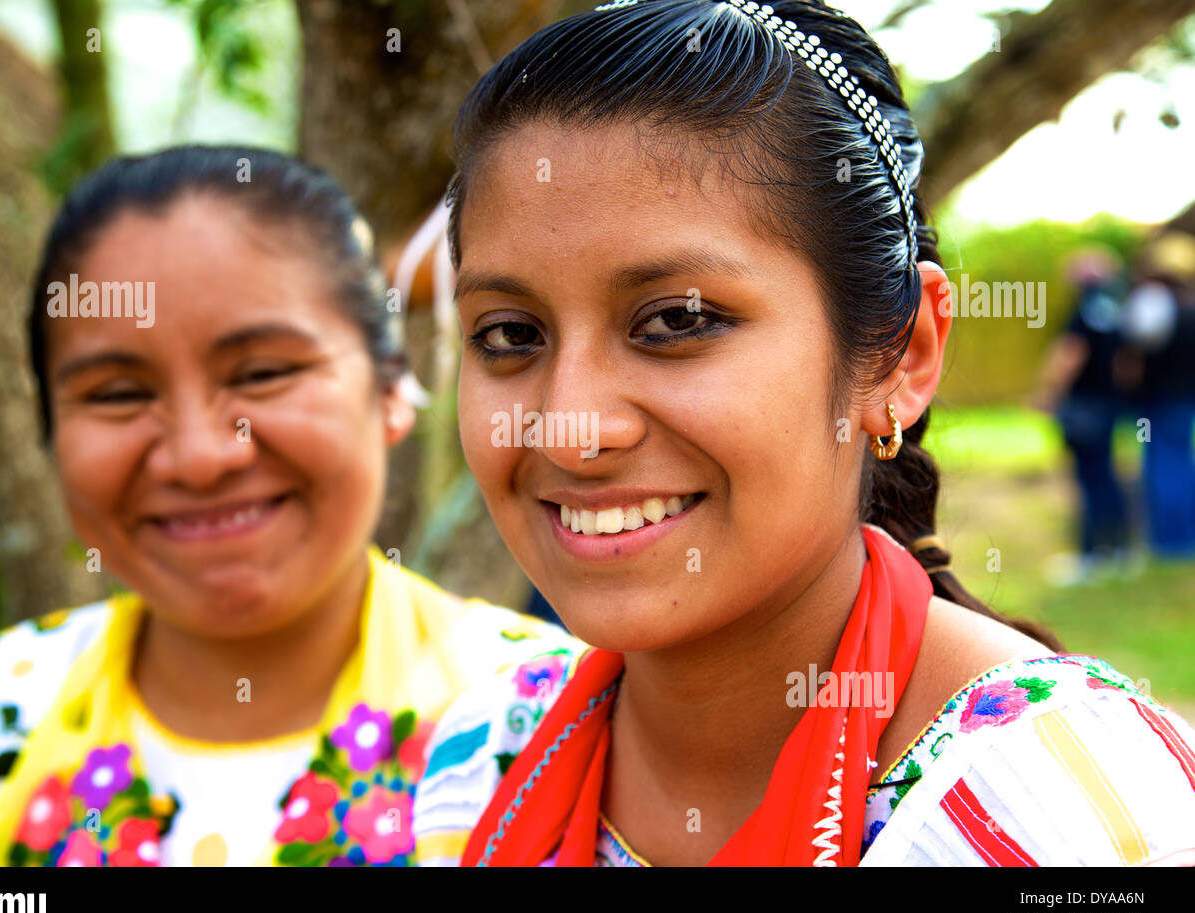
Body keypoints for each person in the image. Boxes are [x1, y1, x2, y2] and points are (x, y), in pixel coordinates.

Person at [412, 0, 1195, 867]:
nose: (571, 428)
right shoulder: (485, 757)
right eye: (510, 336)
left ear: (899, 354)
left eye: (675, 320)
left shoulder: (1060, 820)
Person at [0, 146, 576, 867]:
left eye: (263, 374)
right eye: (118, 394)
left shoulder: (556, 725)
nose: (200, 456)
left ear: (389, 389)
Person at [1030, 247, 1132, 583]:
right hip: (1107, 404)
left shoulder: (1082, 313)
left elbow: (1070, 356)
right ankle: (1119, 550)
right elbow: (1124, 364)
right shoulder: (1113, 313)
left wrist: (1048, 394)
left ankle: (1090, 555)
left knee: (1087, 478)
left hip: (1082, 406)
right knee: (1105, 475)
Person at [1120, 232, 1195, 560]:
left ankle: (1170, 542)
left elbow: (1135, 350)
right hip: (1183, 397)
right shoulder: (1189, 306)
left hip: (1158, 398)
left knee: (1162, 466)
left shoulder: (1153, 303)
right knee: (1181, 462)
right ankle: (1184, 537)